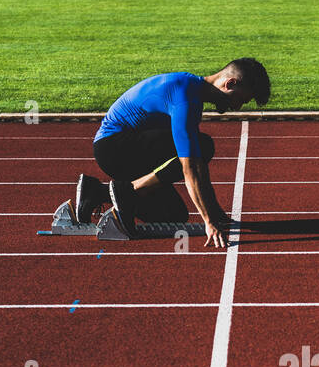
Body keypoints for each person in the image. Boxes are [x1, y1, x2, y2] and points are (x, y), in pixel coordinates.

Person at [75, 58, 270, 248]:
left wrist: (214, 211)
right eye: (240, 100)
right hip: (115, 147)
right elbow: (190, 166)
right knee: (202, 147)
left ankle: (96, 192)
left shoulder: (192, 91)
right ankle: (127, 192)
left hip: (126, 147)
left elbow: (198, 166)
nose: (236, 107)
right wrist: (209, 222)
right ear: (230, 83)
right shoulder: (185, 96)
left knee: (173, 215)